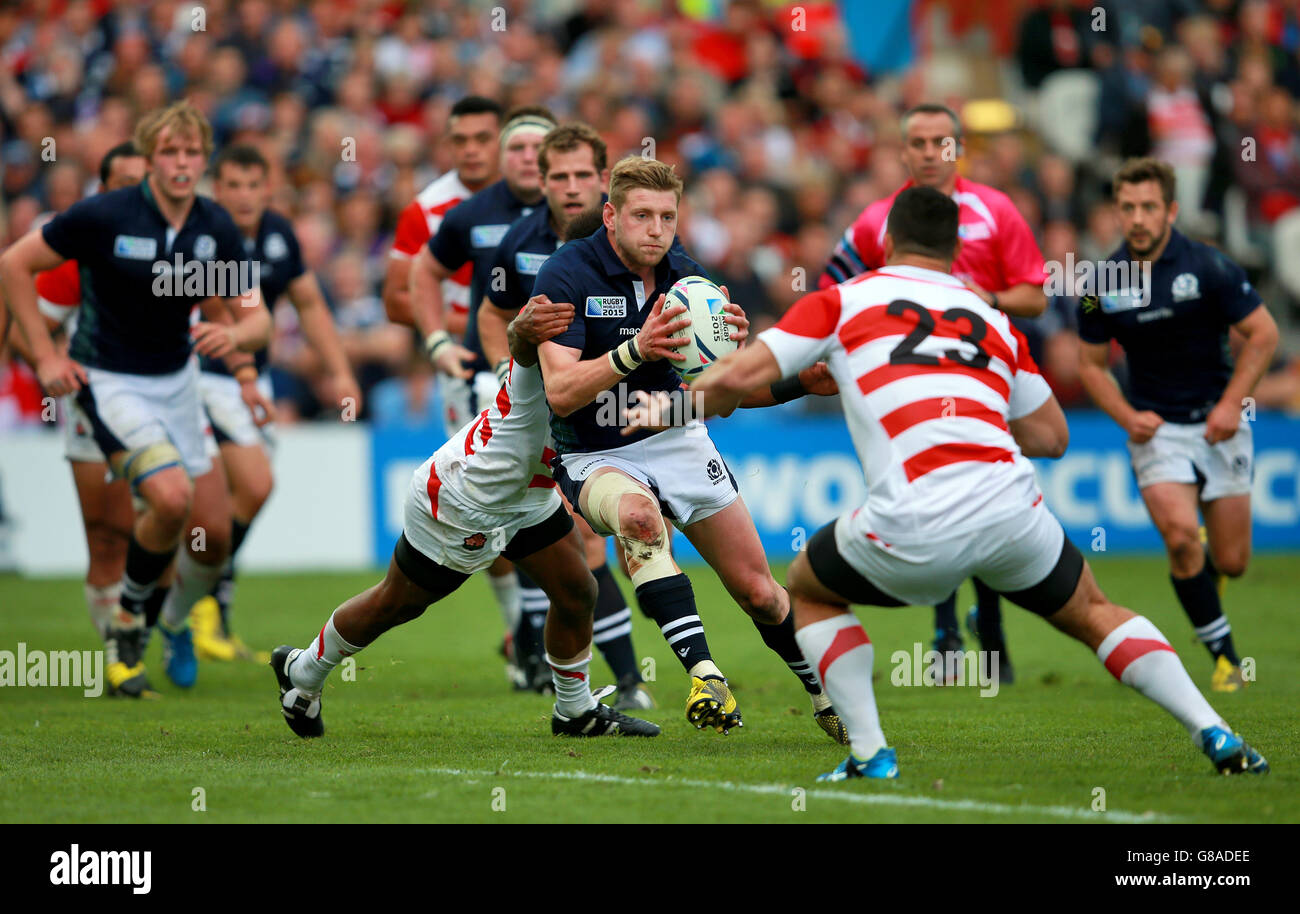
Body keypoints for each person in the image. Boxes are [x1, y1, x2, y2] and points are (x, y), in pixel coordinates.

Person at [633, 185, 1268, 779]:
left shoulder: (844, 299)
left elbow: (740, 377)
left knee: (809, 588)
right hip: (1013, 509)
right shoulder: (991, 319)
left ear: (885, 242)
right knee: (1098, 614)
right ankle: (1214, 730)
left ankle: (871, 752)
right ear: (957, 250)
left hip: (913, 514)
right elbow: (1052, 437)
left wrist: (671, 406)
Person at [533, 155, 845, 741]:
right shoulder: (565, 274)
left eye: (667, 217)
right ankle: (705, 674)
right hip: (595, 452)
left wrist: (787, 379)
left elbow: (719, 398)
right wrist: (637, 350)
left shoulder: (690, 280)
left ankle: (828, 698)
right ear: (611, 216)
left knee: (760, 592)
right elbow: (562, 392)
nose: (656, 229)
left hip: (678, 437)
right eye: (642, 215)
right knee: (638, 519)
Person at [270, 296, 659, 739]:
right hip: (468, 496)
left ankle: (574, 711)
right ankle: (302, 671)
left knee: (576, 590)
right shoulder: (559, 358)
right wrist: (524, 328)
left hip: (527, 497)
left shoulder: (618, 367)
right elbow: (522, 342)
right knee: (397, 603)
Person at [0, 100, 273, 696]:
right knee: (168, 500)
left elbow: (258, 317)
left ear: (203, 159)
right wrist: (47, 358)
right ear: (150, 158)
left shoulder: (214, 226)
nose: (181, 162)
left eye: (191, 152)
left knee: (214, 535)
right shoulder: (103, 215)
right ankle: (128, 623)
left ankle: (171, 621)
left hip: (180, 383)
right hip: (110, 383)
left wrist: (237, 335)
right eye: (169, 152)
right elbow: (14, 265)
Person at [821, 103, 1050, 683]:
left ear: (958, 147)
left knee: (980, 491)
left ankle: (987, 630)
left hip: (983, 381)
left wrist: (983, 297)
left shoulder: (995, 211)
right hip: (910, 387)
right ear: (903, 151)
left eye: (940, 142)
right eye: (918, 142)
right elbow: (831, 286)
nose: (929, 152)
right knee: (935, 491)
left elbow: (1036, 296)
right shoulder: (878, 220)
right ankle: (949, 634)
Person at [1077, 157, 1279, 692]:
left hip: (1219, 424)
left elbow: (1263, 334)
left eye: (1148, 207)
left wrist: (1233, 402)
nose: (1137, 218)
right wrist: (1125, 416)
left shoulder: (1209, 267)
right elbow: (1089, 366)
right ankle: (1226, 658)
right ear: (1116, 211)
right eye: (1127, 208)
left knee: (1232, 562)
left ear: (1171, 210)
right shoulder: (1101, 282)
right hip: (1157, 430)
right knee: (1182, 537)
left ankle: (1208, 577)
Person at [476, 122, 652, 711]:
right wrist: (504, 373)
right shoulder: (518, 243)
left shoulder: (633, 241)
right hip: (546, 409)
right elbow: (491, 313)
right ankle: (603, 679)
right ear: (541, 180)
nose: (572, 187)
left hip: (615, 411)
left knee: (602, 540)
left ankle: (599, 677)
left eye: (583, 175)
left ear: (603, 180)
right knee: (557, 540)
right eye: (559, 176)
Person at [190, 143, 361, 662]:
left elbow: (309, 304)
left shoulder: (278, 237)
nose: (243, 196)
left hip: (251, 380)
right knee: (221, 497)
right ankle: (196, 605)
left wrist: (341, 372)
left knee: (252, 493)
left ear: (268, 188)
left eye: (253, 185)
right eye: (232, 185)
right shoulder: (199, 236)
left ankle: (200, 594)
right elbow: (215, 309)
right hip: (195, 376)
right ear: (216, 189)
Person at [410, 105, 557, 690]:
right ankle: (522, 634)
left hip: (561, 380)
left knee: (539, 507)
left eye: (535, 148)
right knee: (497, 510)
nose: (526, 158)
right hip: (483, 374)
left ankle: (534, 643)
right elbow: (422, 273)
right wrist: (437, 340)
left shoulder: (584, 219)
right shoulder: (473, 216)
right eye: (515, 147)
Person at [24, 142, 147, 642]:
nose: (134, 196)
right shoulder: (81, 254)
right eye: (122, 186)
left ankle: (171, 623)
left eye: (142, 184)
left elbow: (229, 304)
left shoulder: (185, 243)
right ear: (103, 191)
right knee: (106, 534)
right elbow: (24, 325)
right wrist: (50, 358)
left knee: (161, 522)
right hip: (92, 404)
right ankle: (120, 650)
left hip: (165, 401)